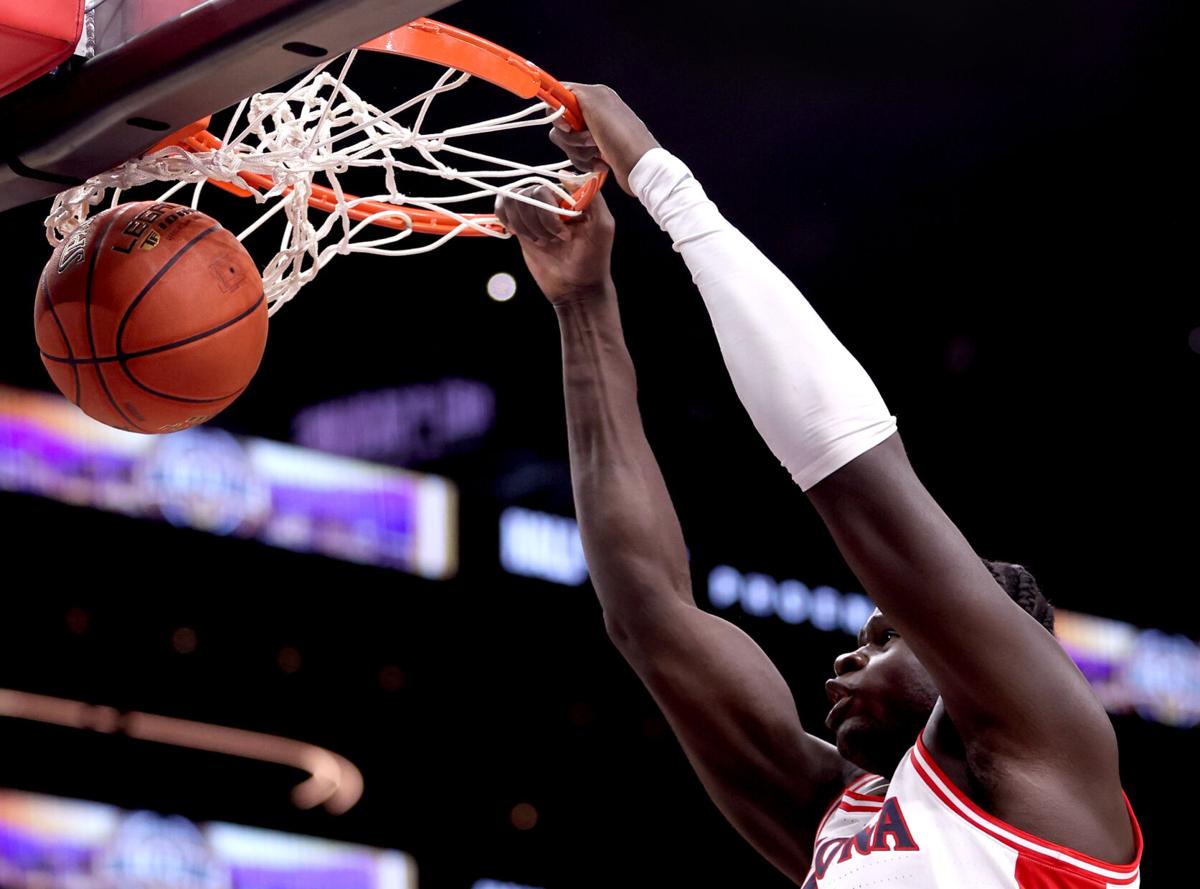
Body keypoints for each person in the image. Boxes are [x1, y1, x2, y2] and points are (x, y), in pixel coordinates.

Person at [495, 84, 1142, 887]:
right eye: (877, 634)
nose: (848, 652)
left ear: (977, 648)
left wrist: (664, 183)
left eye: (885, 637)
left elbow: (855, 472)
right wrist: (583, 303)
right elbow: (647, 611)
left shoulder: (1053, 756)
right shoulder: (836, 815)